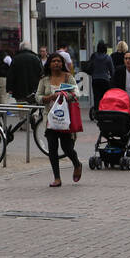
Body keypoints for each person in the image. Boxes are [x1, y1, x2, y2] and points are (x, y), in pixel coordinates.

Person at [36, 53, 81, 187]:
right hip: (50, 119)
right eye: (54, 61)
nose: (56, 63)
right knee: (52, 147)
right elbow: (38, 97)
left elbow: (77, 93)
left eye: (59, 61)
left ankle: (77, 164)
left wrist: (66, 95)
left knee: (67, 147)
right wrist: (49, 97)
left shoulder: (68, 77)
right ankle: (57, 178)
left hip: (65, 119)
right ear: (49, 64)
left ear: (62, 64)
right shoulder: (44, 80)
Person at [87, 41, 114, 119]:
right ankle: (104, 110)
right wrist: (112, 78)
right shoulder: (108, 57)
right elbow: (112, 70)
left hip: (95, 79)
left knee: (96, 96)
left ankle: (96, 111)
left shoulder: (94, 56)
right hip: (105, 79)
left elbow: (90, 66)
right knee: (105, 96)